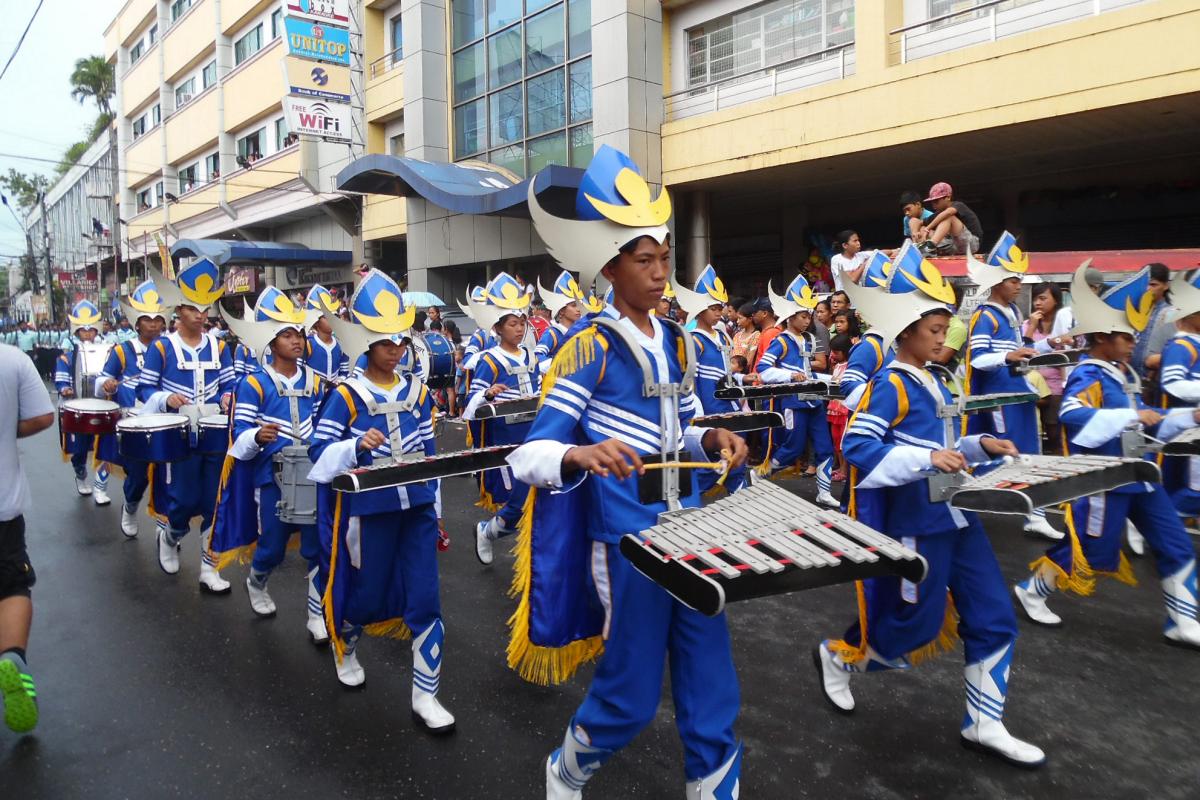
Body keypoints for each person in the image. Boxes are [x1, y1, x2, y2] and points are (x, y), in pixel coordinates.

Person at [517, 144, 748, 797]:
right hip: (628, 543)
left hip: (695, 534)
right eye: (643, 260)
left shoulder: (680, 342)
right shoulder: (587, 345)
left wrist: (715, 437)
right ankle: (565, 770)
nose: (658, 272)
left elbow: (690, 424)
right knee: (632, 694)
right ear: (611, 270)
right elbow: (531, 450)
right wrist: (578, 454)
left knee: (712, 683)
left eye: (663, 258)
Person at [814, 259, 1043, 768]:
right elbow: (858, 445)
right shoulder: (890, 384)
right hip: (917, 523)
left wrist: (981, 444)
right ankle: (839, 656)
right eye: (936, 330)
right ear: (906, 332)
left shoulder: (937, 380)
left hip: (959, 516)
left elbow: (945, 445)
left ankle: (984, 723)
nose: (945, 339)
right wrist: (926, 459)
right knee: (912, 627)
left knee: (995, 617)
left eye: (945, 330)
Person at [1012, 263, 1200, 649]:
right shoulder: (1089, 374)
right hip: (1105, 480)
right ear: (1102, 337)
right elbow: (1073, 416)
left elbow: (1147, 423)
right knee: (1091, 551)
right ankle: (1033, 589)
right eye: (1126, 336)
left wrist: (1188, 416)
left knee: (1175, 543)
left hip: (1139, 475)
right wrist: (1133, 415)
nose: (1134, 343)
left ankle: (1184, 620)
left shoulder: (1120, 374)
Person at [308, 270, 455, 732]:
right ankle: (346, 646)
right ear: (367, 342)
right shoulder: (347, 396)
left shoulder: (418, 393)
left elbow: (432, 454)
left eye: (400, 342)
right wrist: (355, 447)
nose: (395, 350)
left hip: (416, 512)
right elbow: (319, 453)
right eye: (385, 342)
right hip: (367, 515)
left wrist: (438, 511)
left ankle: (425, 695)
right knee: (366, 597)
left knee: (427, 600)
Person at [209, 288, 329, 643]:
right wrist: (257, 437)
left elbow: (327, 424)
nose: (297, 341)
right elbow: (240, 433)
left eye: (300, 334)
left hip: (312, 473)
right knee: (273, 545)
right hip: (271, 475)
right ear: (271, 342)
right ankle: (256, 581)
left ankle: (316, 614)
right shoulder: (254, 384)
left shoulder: (317, 382)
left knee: (317, 545)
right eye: (287, 335)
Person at [138, 261, 236, 592]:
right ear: (179, 309)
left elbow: (229, 382)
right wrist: (166, 398)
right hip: (178, 436)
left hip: (214, 434)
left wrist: (227, 397)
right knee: (181, 499)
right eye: (194, 308)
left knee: (214, 500)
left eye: (205, 309)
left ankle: (209, 569)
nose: (201, 315)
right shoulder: (162, 347)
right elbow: (145, 390)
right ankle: (171, 535)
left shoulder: (220, 345)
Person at [963, 233, 1061, 541]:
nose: (1019, 285)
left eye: (1019, 280)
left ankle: (1036, 513)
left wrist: (1045, 350)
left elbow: (1019, 352)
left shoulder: (1015, 313)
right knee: (1001, 456)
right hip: (999, 400)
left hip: (1019, 395)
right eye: (1012, 280)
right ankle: (963, 502)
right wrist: (1008, 355)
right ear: (996, 282)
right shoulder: (984, 315)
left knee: (1029, 454)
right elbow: (977, 359)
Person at [0, 338, 55, 733]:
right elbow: (42, 417)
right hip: (2, 504)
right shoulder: (11, 357)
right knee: (13, 587)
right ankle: (12, 656)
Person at [468, 274, 541, 564]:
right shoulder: (488, 360)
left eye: (522, 323)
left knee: (540, 500)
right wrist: (488, 394)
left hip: (534, 437)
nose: (519, 328)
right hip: (505, 441)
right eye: (513, 323)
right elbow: (470, 407)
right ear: (497, 327)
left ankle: (533, 561)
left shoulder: (531, 356)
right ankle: (488, 532)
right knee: (517, 503)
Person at [756, 274, 837, 507]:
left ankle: (824, 492)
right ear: (790, 317)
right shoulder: (781, 341)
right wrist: (790, 375)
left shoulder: (809, 340)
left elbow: (807, 373)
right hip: (793, 401)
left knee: (824, 446)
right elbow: (763, 370)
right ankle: (760, 474)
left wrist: (830, 378)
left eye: (809, 316)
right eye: (803, 316)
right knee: (793, 448)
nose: (807, 320)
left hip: (813, 400)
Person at [99, 281, 167, 537]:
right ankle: (130, 506)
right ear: (136, 323)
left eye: (157, 319)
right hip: (134, 422)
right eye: (147, 319)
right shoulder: (122, 350)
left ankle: (165, 527)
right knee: (138, 477)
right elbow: (103, 377)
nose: (153, 324)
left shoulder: (170, 348)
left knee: (166, 476)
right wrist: (106, 383)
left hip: (165, 422)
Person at [673, 265, 748, 494]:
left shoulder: (724, 335)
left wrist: (742, 379)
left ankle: (742, 499)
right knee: (712, 462)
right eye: (713, 308)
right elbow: (688, 380)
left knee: (736, 456)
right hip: (707, 408)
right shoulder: (694, 340)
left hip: (729, 405)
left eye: (720, 308)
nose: (718, 312)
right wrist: (696, 412)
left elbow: (727, 372)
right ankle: (689, 497)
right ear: (699, 309)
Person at [55, 301, 113, 503]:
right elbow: (62, 376)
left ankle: (100, 487)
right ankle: (80, 473)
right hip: (79, 407)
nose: (87, 334)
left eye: (91, 331)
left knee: (106, 447)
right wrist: (65, 388)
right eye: (83, 331)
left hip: (102, 406)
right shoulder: (67, 357)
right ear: (77, 332)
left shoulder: (108, 352)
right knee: (80, 448)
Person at [1158, 271, 1200, 518]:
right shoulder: (1181, 346)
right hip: (1184, 426)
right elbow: (1172, 383)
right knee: (1194, 490)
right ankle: (1158, 517)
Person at [1022, 282, 1074, 447]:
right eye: (1035, 299)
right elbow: (1023, 350)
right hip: (1031, 386)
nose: (1037, 303)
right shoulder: (1027, 324)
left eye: (1043, 298)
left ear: (1056, 300)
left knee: (1054, 433)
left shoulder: (1063, 325)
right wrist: (1032, 326)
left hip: (1055, 387)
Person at [534, 271, 585, 374]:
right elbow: (537, 356)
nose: (578, 309)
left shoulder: (582, 332)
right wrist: (557, 365)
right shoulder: (553, 333)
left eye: (579, 305)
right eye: (574, 305)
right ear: (561, 310)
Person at [1133, 262, 1176, 384]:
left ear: (1166, 286)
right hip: (1132, 379)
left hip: (1155, 381)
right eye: (1145, 284)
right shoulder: (1134, 310)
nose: (1148, 289)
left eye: (1153, 285)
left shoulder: (1171, 313)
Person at [919, 182, 983, 257]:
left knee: (949, 217)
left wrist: (927, 228)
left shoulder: (958, 205)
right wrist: (919, 232)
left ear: (948, 197)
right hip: (953, 245)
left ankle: (929, 247)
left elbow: (948, 213)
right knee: (923, 228)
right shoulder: (938, 214)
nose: (933, 205)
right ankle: (924, 248)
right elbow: (918, 222)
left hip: (972, 244)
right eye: (932, 202)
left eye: (936, 201)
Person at [303, 284, 350, 382]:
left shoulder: (342, 344)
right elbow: (299, 370)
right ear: (316, 322)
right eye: (326, 317)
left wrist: (337, 384)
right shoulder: (307, 344)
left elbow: (344, 372)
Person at [827, 334, 853, 481]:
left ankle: (845, 470)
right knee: (836, 439)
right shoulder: (837, 366)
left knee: (843, 441)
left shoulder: (850, 366)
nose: (833, 355)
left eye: (836, 352)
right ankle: (840, 467)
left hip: (844, 408)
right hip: (834, 407)